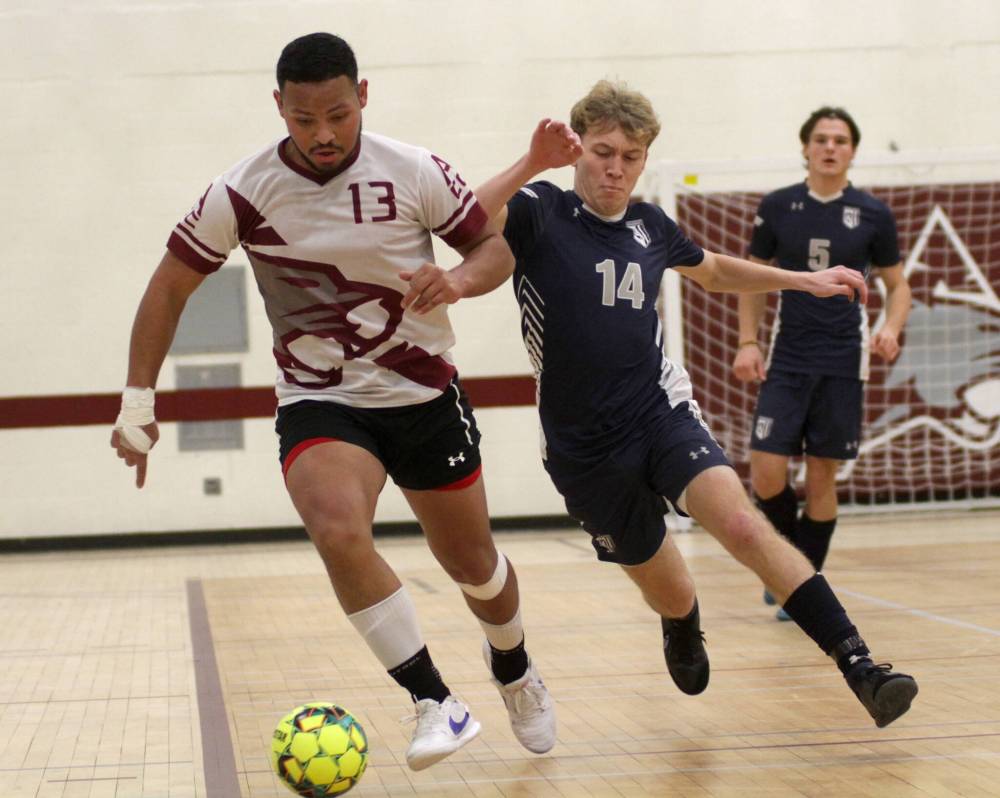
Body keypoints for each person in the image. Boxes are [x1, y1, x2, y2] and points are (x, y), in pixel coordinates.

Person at [110, 32, 555, 770]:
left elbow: (495, 250)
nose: (322, 134)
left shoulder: (413, 169)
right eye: (304, 118)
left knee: (473, 564)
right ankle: (434, 701)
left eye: (338, 115)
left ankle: (513, 667)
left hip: (422, 394)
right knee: (336, 527)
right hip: (321, 400)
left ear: (364, 98)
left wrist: (458, 281)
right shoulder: (243, 191)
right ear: (278, 107)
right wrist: (136, 401)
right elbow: (169, 286)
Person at [474, 81, 918, 728]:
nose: (615, 168)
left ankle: (861, 665)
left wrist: (804, 279)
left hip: (660, 412)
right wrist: (529, 162)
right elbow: (466, 220)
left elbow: (713, 270)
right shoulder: (543, 208)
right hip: (582, 447)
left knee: (741, 523)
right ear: (577, 152)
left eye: (630, 155)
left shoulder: (651, 225)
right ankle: (682, 622)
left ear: (645, 160)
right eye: (602, 152)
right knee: (669, 586)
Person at [732, 107, 912, 621]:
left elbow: (898, 286)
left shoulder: (873, 213)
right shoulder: (779, 206)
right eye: (820, 139)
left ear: (852, 150)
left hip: (842, 361)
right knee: (766, 469)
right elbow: (753, 278)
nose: (830, 147)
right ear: (806, 147)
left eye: (839, 140)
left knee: (820, 479)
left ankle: (800, 582)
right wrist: (748, 341)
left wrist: (891, 328)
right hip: (787, 357)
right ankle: (784, 562)